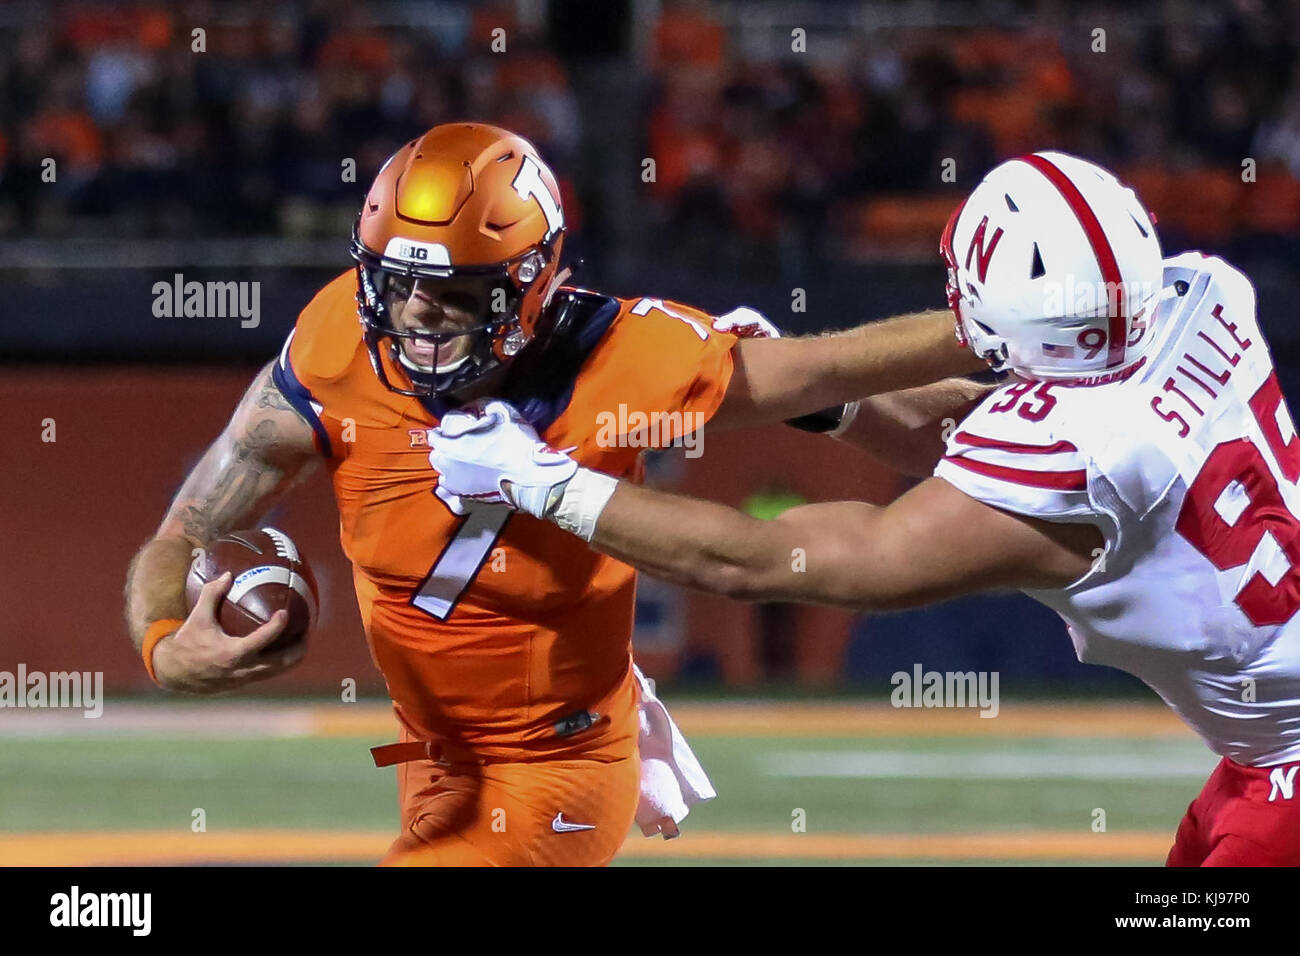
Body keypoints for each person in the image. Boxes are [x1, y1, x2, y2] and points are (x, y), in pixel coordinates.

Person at [124, 122, 984, 866]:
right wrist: (165, 641)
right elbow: (185, 529)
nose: (418, 312)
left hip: (554, 761)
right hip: (433, 752)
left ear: (528, 282)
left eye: (455, 291)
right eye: (396, 282)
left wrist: (986, 325)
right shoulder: (336, 336)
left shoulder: (626, 357)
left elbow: (834, 374)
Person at [428, 150, 1300, 866]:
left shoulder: (1082, 456)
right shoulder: (1202, 294)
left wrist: (535, 480)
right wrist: (819, 399)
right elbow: (974, 433)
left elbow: (764, 560)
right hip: (1259, 758)